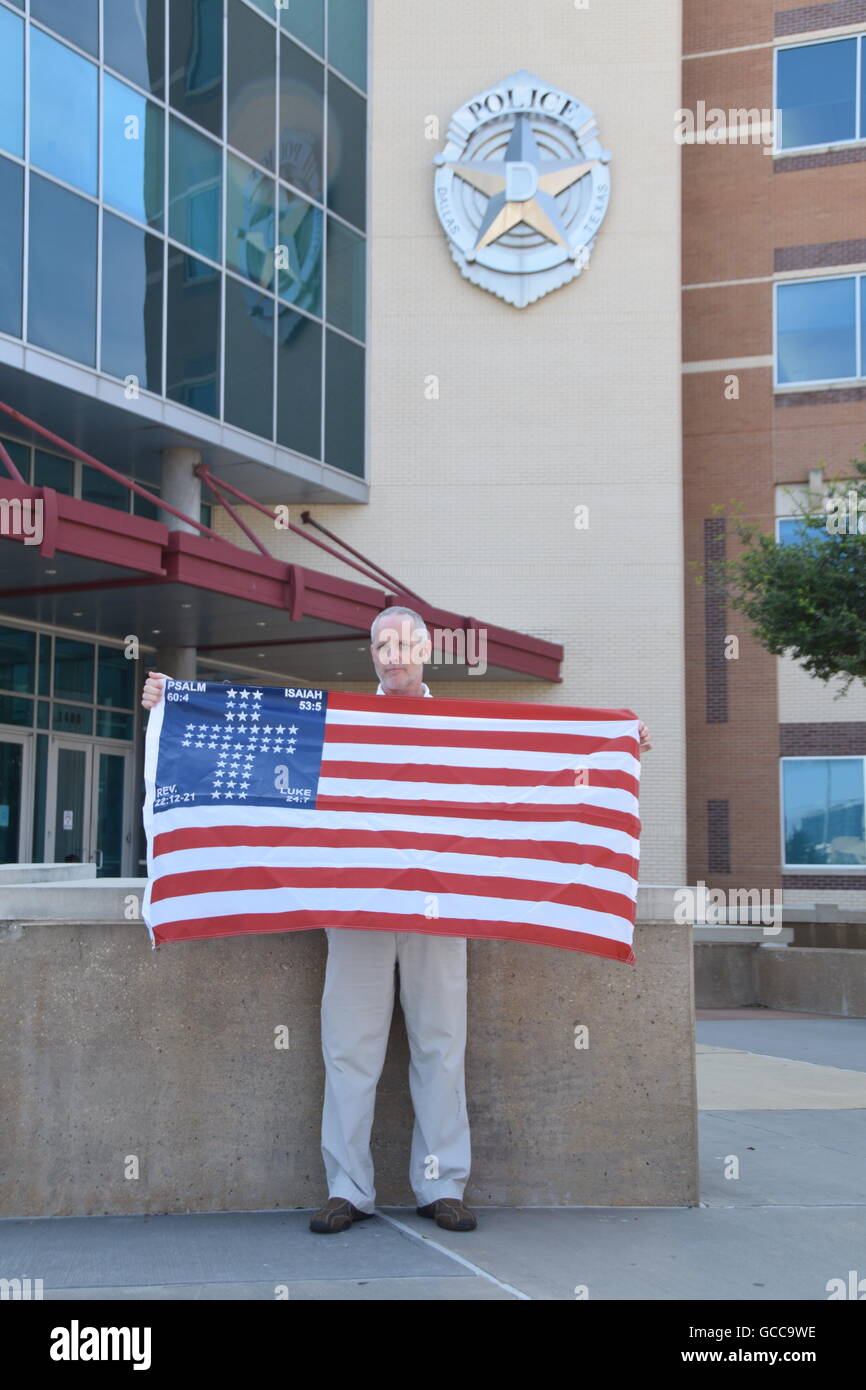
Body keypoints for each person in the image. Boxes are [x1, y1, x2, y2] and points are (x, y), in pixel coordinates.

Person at [140, 608, 653, 1236]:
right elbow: (254, 742)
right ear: (372, 654)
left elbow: (537, 772)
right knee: (348, 1049)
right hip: (357, 910)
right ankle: (346, 1189)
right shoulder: (340, 727)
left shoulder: (464, 729)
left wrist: (619, 746)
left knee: (441, 1045)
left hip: (441, 910)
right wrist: (179, 704)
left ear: (426, 649)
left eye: (404, 643)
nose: (392, 655)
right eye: (381, 645)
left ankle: (443, 1186)